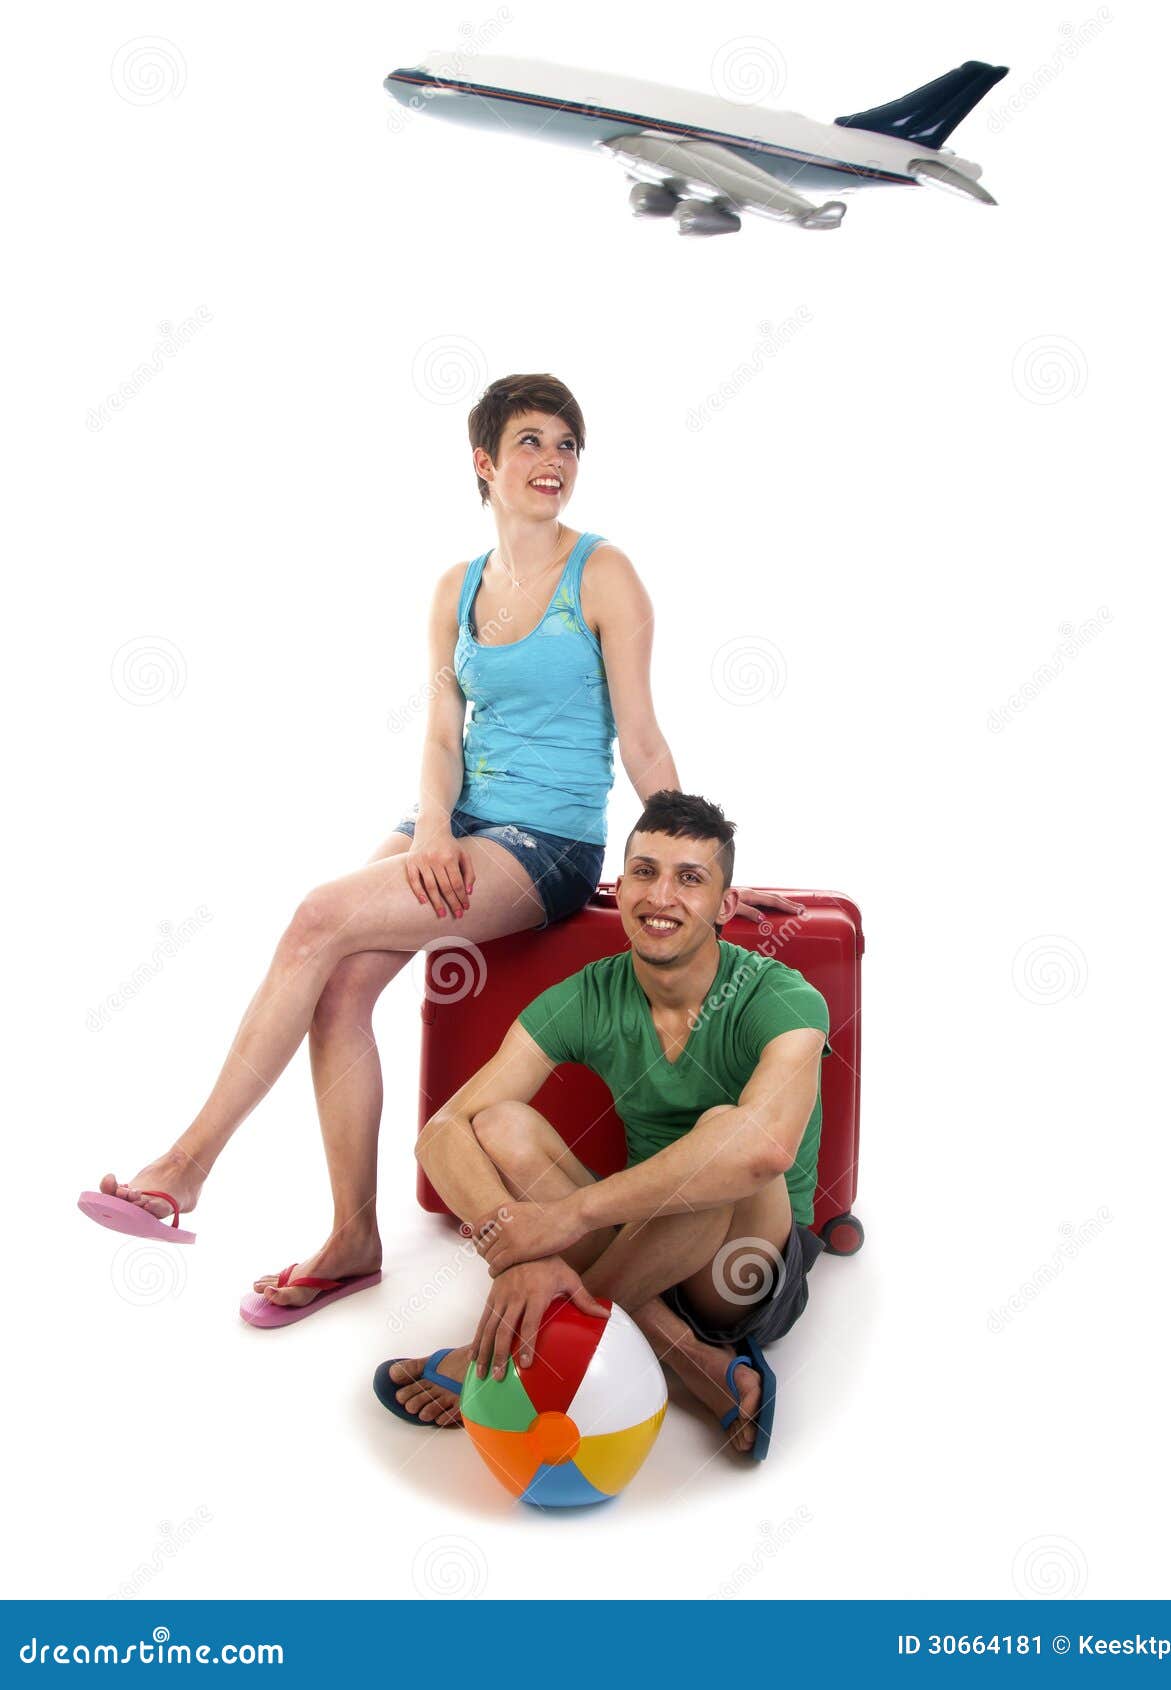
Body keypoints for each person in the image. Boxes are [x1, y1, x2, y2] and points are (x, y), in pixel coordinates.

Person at [81, 374, 794, 1315]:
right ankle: (352, 1239)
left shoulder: (604, 575)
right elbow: (439, 735)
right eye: (531, 441)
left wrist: (705, 873)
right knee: (337, 977)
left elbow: (642, 735)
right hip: (449, 821)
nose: (553, 461)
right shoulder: (455, 588)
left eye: (569, 444)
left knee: (312, 916)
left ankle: (183, 1167)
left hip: (545, 841)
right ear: (484, 463)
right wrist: (426, 830)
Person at [377, 790, 829, 1458]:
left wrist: (569, 1219)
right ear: (620, 889)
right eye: (644, 872)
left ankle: (517, 1337)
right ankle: (686, 1357)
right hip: (637, 1241)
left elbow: (763, 1152)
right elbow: (442, 1131)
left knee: (722, 1135)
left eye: (690, 878)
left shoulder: (782, 996)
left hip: (743, 1266)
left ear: (724, 906)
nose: (661, 896)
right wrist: (517, 1254)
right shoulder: (592, 993)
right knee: (499, 1122)